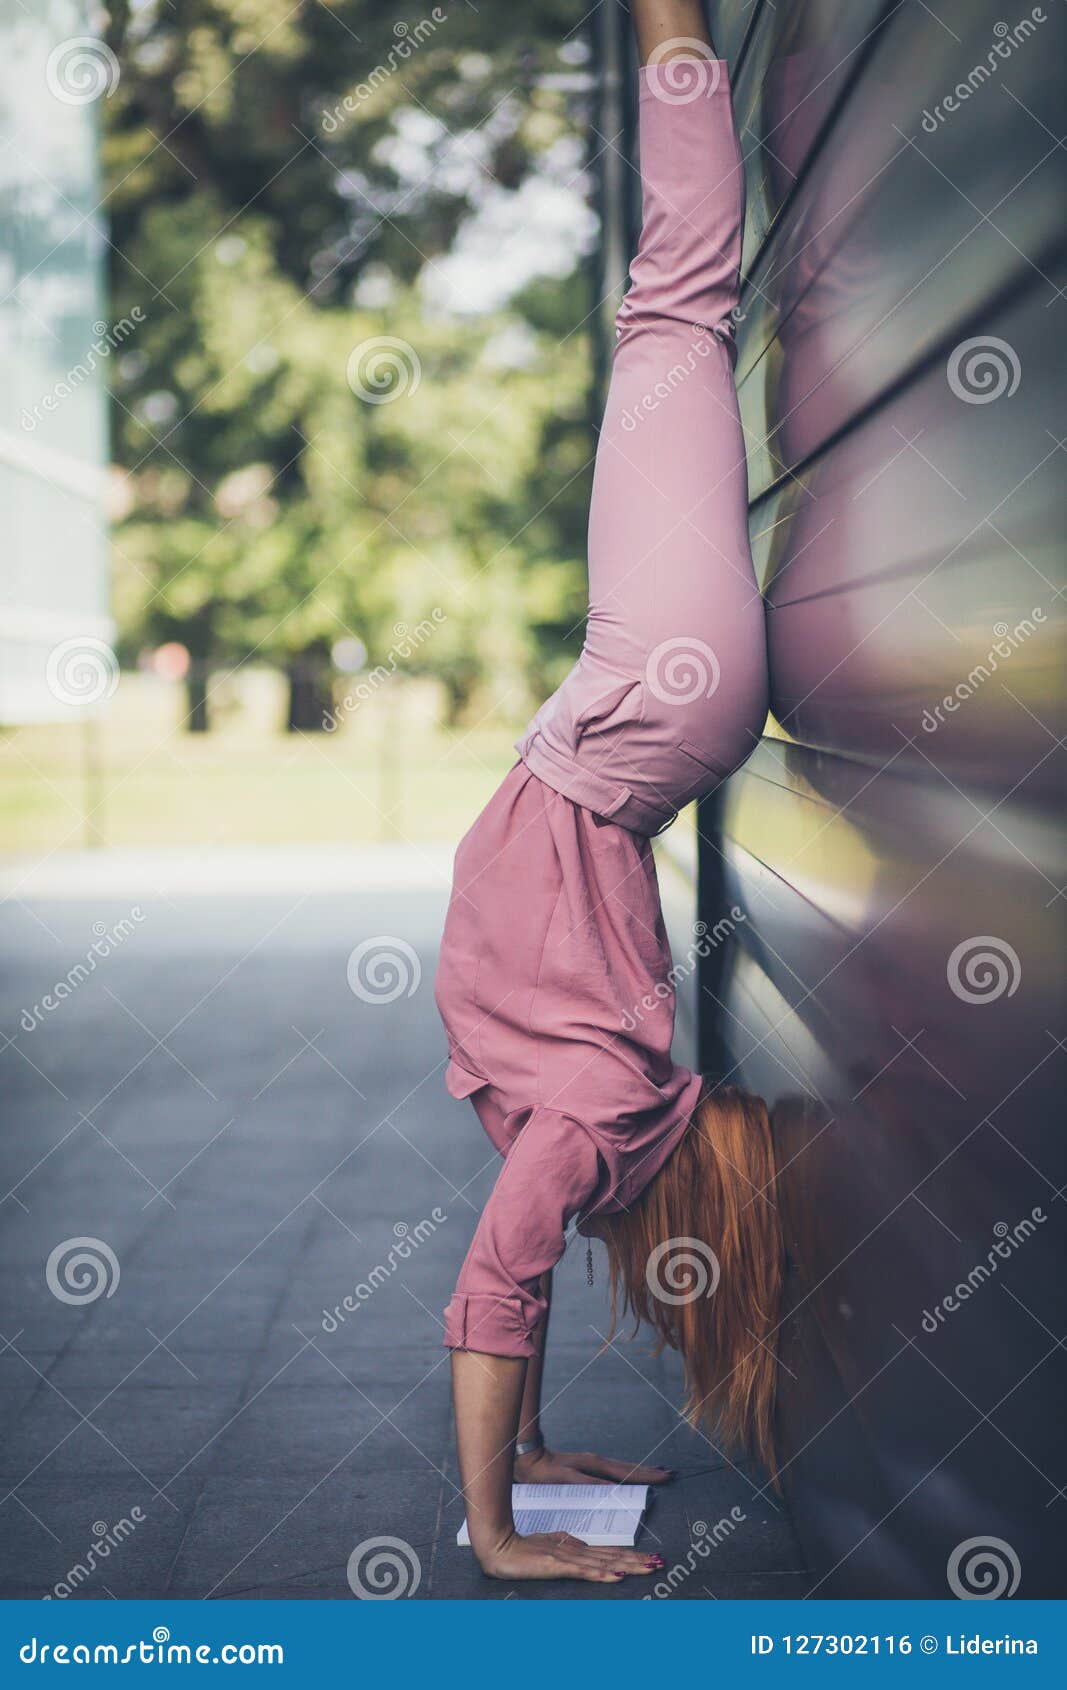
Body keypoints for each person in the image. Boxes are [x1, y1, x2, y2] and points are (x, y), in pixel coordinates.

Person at [435, 0, 782, 1584]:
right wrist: (500, 1524)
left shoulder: (610, 1115)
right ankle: (669, 20)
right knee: (675, 305)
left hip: (655, 713)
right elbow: (493, 1288)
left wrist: (519, 1493)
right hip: (644, 706)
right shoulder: (596, 1118)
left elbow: (509, 1282)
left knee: (679, 313)